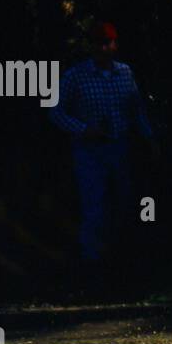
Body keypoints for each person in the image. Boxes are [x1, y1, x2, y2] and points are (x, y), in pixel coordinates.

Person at [50, 21, 155, 268]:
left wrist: (149, 138)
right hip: (89, 151)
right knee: (94, 206)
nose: (103, 48)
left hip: (121, 147)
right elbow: (55, 111)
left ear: (115, 44)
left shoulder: (125, 73)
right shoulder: (75, 75)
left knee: (125, 203)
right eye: (98, 43)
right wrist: (84, 129)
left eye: (107, 43)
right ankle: (92, 263)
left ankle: (124, 259)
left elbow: (137, 110)